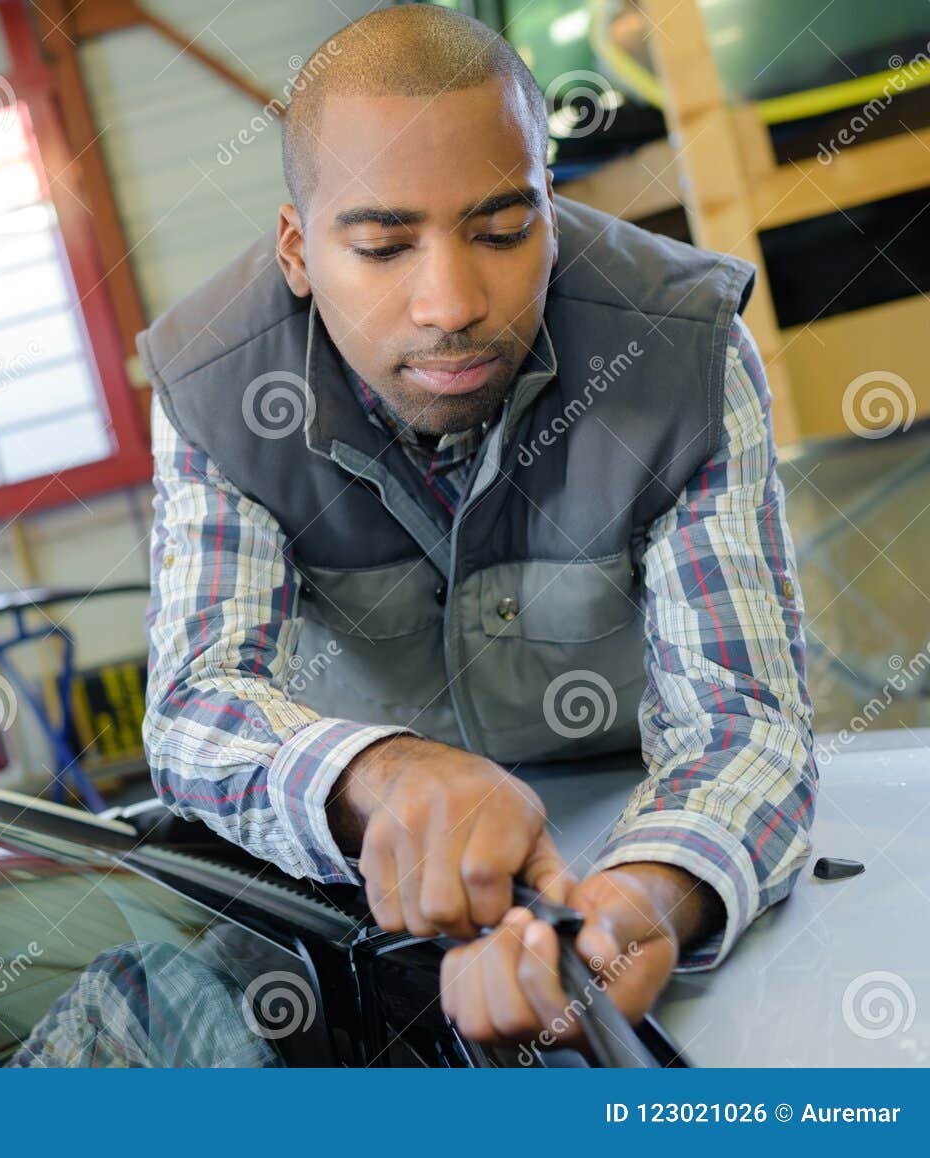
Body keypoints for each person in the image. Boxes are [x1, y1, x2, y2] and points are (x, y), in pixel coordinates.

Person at [140, 4, 815, 1050]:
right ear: (297, 250)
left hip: (624, 832)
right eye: (381, 245)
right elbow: (193, 707)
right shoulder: (213, 388)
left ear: (552, 208)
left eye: (503, 231)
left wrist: (643, 902)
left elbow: (744, 726)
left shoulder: (681, 350)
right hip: (349, 895)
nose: (449, 302)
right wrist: (384, 774)